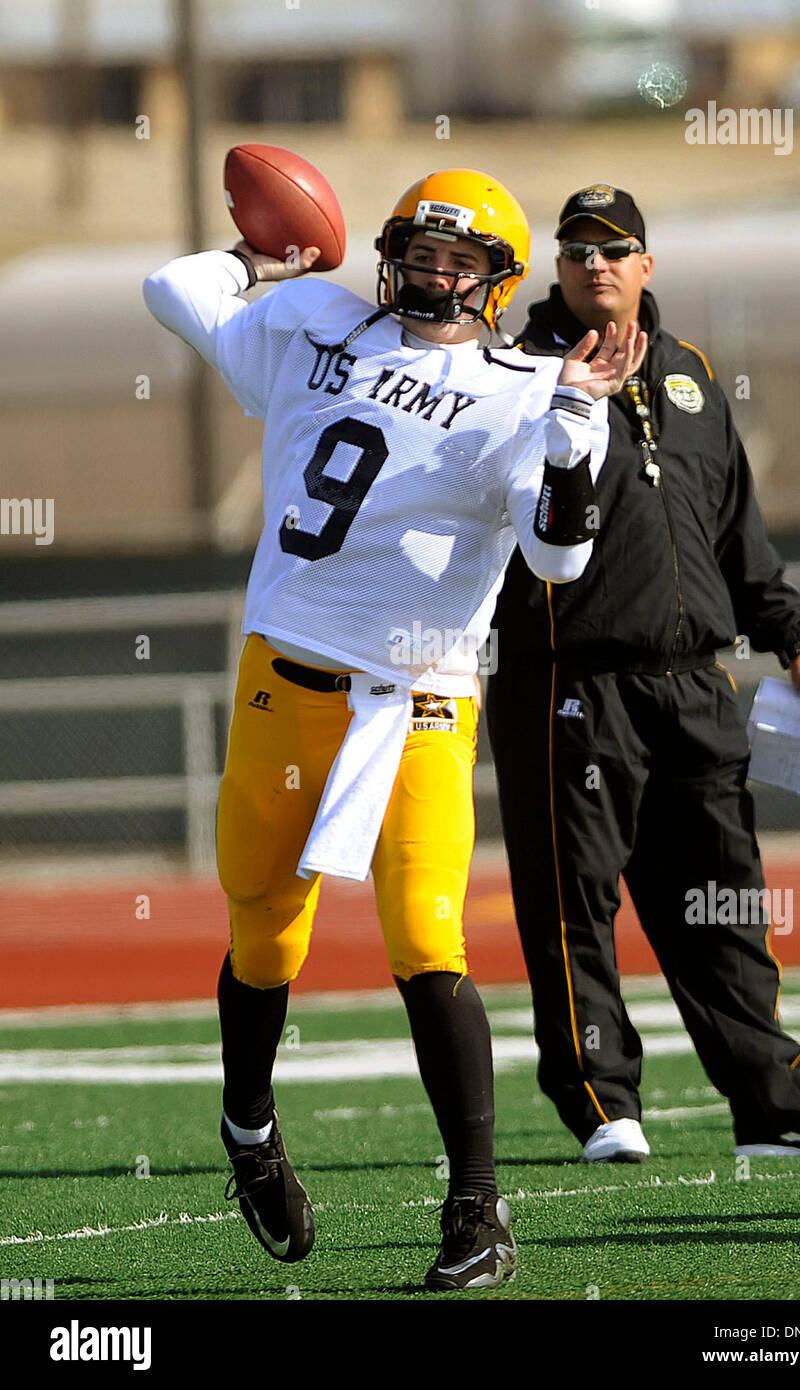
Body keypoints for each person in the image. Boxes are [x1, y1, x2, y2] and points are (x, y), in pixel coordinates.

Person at [143, 168, 647, 1290]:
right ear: (387, 251)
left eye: (460, 263)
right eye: (420, 252)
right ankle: (248, 1131)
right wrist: (264, 257)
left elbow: (559, 557)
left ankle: (476, 1209)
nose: (433, 274)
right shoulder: (319, 315)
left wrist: (570, 429)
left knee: (428, 939)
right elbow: (168, 283)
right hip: (286, 675)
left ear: (497, 283)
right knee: (266, 933)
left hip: (419, 695)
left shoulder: (529, 388)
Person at [486, 183, 800, 1165]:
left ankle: (774, 1107)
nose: (595, 265)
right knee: (573, 903)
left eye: (613, 248)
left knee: (723, 898)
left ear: (645, 265)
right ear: (558, 268)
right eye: (577, 250)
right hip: (567, 682)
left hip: (695, 683)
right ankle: (600, 1102)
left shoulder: (692, 376)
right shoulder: (511, 372)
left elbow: (734, 531)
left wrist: (787, 637)